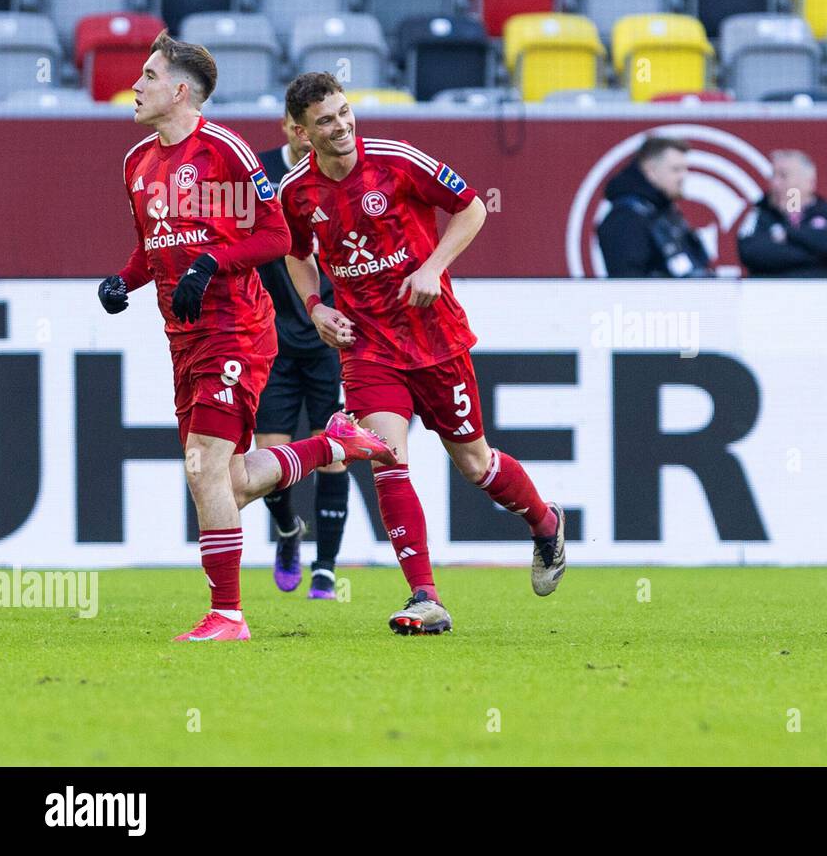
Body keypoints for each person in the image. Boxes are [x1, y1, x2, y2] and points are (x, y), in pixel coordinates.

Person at [97, 32, 392, 642]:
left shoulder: (226, 151)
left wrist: (212, 264)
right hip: (183, 337)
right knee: (224, 479)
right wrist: (123, 280)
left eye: (149, 76)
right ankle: (331, 446)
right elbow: (153, 245)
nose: (137, 85)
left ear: (180, 91)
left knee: (204, 466)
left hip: (237, 328)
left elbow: (278, 237)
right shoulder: (136, 163)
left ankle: (228, 615)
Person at [277, 72, 567, 636]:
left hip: (436, 340)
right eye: (324, 121)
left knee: (477, 466)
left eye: (343, 113)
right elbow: (297, 253)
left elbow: (474, 207)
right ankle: (425, 597)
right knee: (386, 455)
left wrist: (433, 266)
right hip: (367, 347)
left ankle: (545, 522)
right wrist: (315, 306)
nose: (340, 127)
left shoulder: (396, 160)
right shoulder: (297, 192)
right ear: (302, 132)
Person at [254, 113, 349, 600]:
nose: (299, 131)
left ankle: (327, 568)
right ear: (287, 126)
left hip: (328, 337)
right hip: (272, 340)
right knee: (269, 457)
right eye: (294, 122)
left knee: (332, 450)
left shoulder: (334, 174)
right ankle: (289, 532)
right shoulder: (257, 174)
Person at [597, 136, 713, 277]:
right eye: (676, 169)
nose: (683, 176)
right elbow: (628, 285)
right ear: (650, 171)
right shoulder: (625, 218)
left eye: (685, 169)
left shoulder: (664, 212)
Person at [737, 149, 827, 277]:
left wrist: (788, 233)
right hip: (770, 294)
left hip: (822, 294)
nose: (775, 183)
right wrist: (814, 252)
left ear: (808, 182)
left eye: (783, 176)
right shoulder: (759, 213)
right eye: (773, 176)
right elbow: (751, 253)